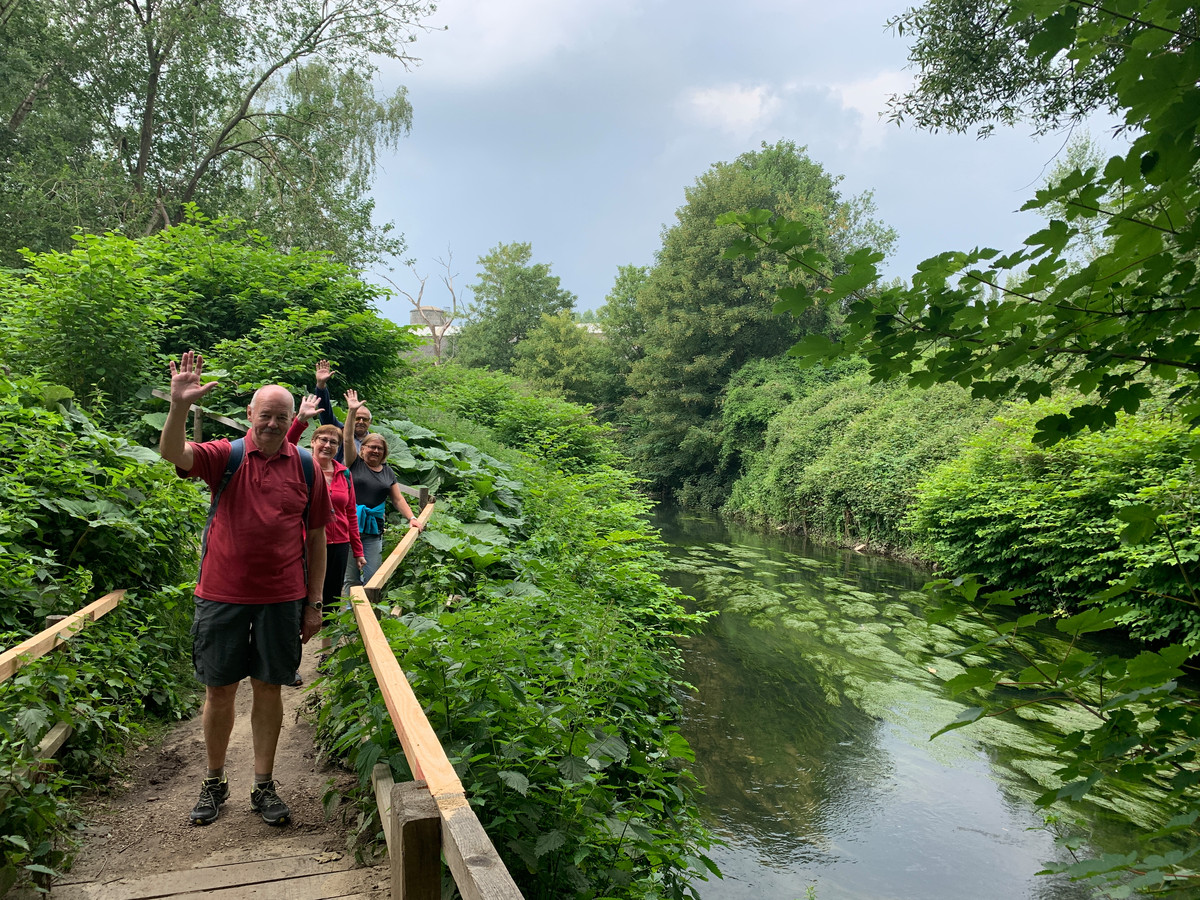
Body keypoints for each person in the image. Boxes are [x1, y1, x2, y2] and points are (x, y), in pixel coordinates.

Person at [158, 352, 329, 828]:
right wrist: (177, 407)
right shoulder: (225, 455)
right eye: (265, 415)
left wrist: (314, 604)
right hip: (221, 594)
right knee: (219, 691)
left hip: (282, 598)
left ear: (291, 419)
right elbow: (175, 454)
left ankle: (263, 784)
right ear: (251, 416)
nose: (272, 423)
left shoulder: (309, 468)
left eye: (281, 416)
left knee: (270, 688)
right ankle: (214, 782)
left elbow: (317, 539)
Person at [286, 406, 366, 670]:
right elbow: (284, 445)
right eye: (323, 439)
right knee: (297, 599)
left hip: (339, 544)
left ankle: (327, 655)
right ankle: (291, 663)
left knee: (331, 600)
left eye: (333, 442)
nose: (328, 445)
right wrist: (300, 420)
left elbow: (351, 515)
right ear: (313, 441)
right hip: (303, 543)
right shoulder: (298, 465)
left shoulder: (344, 474)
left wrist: (358, 550)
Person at [341, 389, 423, 590]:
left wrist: (412, 518)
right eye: (371, 447)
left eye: (379, 448)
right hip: (350, 526)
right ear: (363, 449)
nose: (375, 450)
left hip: (373, 530)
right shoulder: (354, 463)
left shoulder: (388, 472)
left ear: (384, 452)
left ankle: (366, 613)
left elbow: (397, 499)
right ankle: (349, 617)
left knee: (373, 577)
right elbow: (347, 439)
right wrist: (352, 413)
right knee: (350, 578)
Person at [311, 360, 371, 461]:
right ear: (351, 418)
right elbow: (326, 413)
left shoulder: (373, 442)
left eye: (364, 419)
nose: (360, 422)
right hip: (341, 475)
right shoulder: (340, 431)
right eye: (357, 418)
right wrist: (321, 386)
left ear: (370, 422)